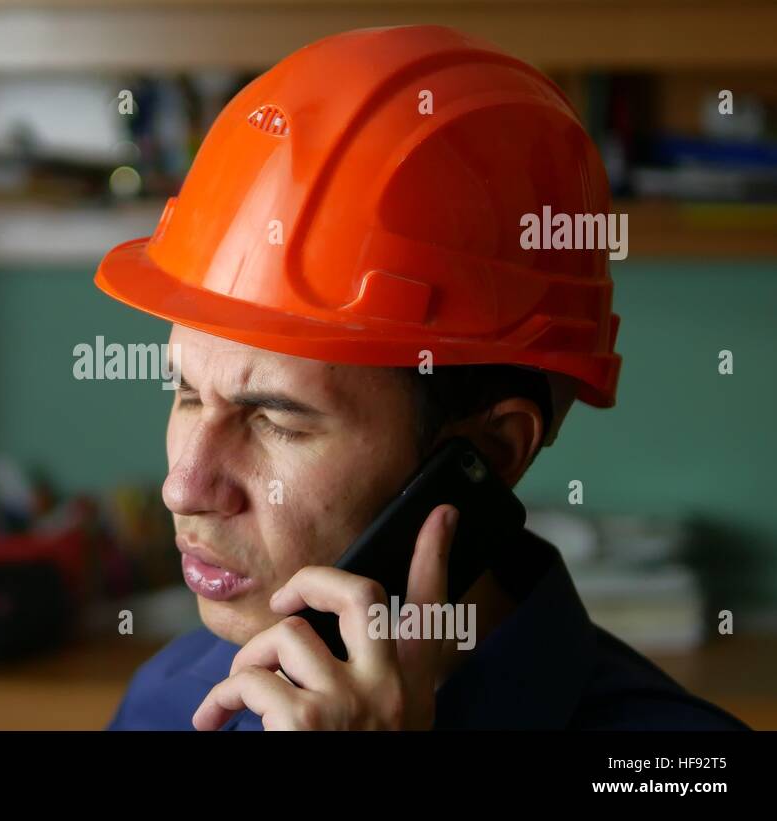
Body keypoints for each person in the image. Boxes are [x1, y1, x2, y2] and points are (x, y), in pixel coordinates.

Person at [93, 24, 747, 730]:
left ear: (489, 454)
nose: (183, 487)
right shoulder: (171, 698)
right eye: (188, 392)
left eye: (275, 416)